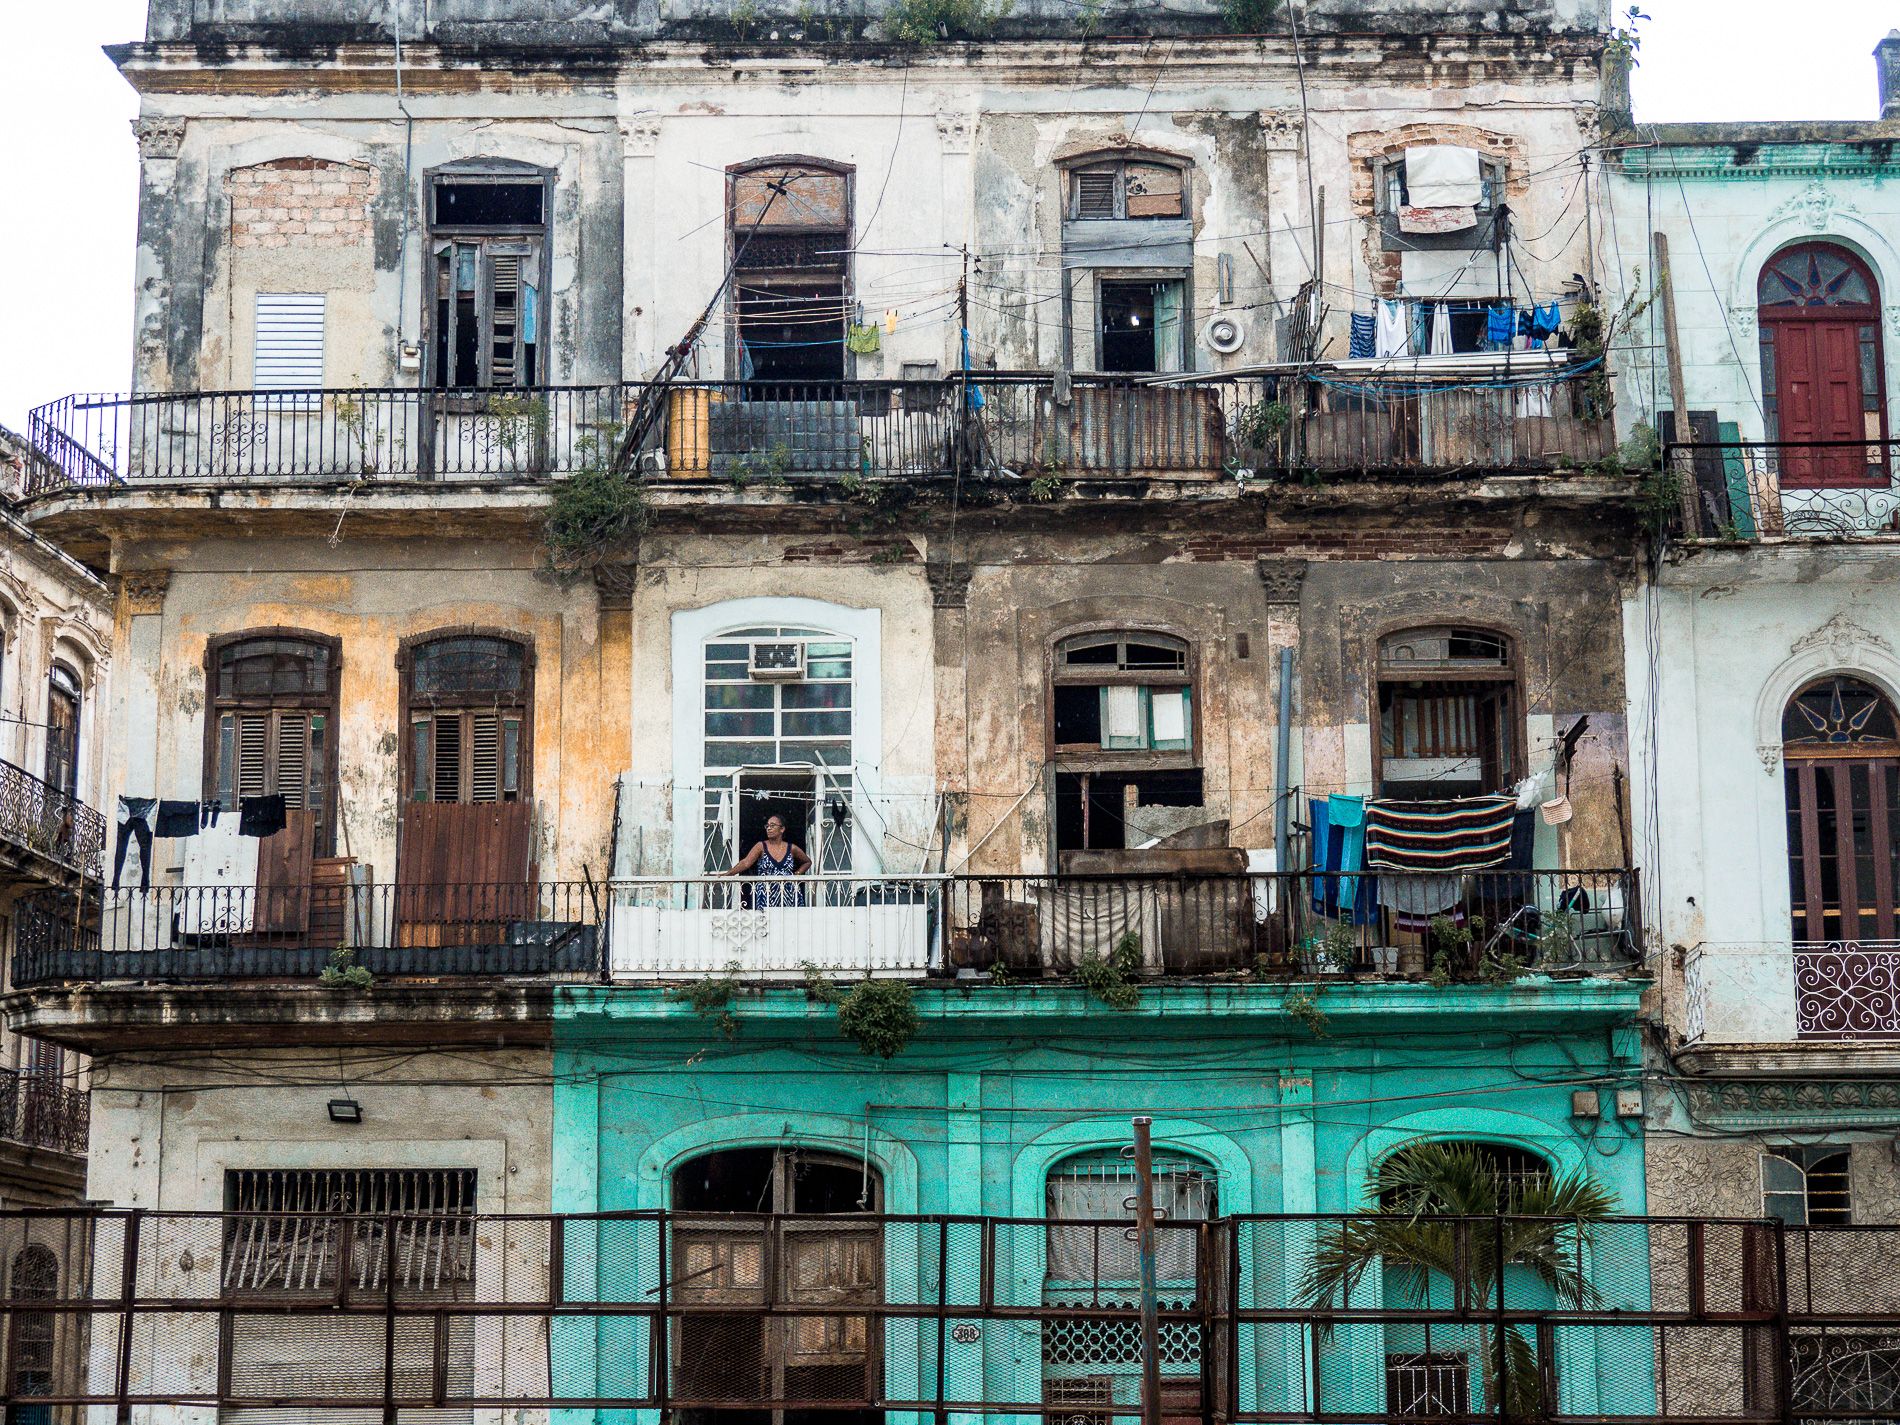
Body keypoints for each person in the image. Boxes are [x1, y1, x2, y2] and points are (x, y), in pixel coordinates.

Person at [725, 814, 811, 907]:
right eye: (767, 826)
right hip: (765, 894)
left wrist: (797, 874)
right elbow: (746, 863)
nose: (768, 828)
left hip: (789, 895)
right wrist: (728, 874)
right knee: (766, 916)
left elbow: (807, 862)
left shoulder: (791, 848)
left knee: (791, 916)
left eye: (772, 825)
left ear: (782, 829)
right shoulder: (761, 846)